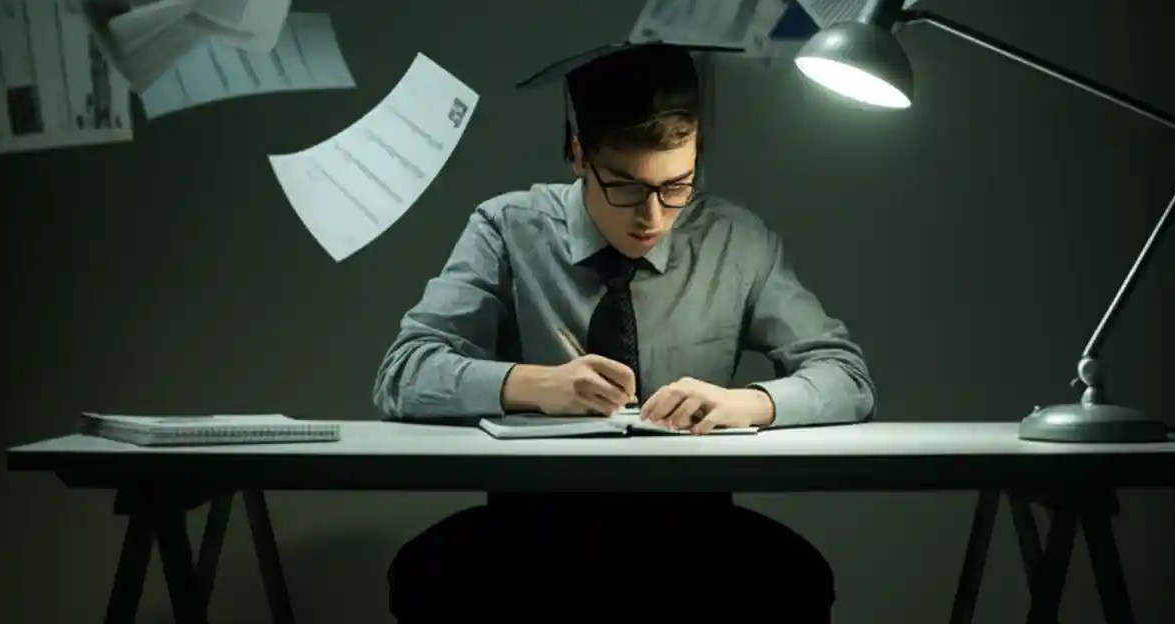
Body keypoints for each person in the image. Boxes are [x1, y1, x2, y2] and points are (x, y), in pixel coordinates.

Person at [373, 42, 877, 621]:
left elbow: (847, 376)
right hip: (534, 529)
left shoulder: (736, 240)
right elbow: (403, 372)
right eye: (626, 186)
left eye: (676, 186)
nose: (653, 216)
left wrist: (749, 403)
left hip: (693, 530)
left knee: (790, 581)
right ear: (577, 153)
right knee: (436, 579)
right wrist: (530, 385)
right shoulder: (507, 228)